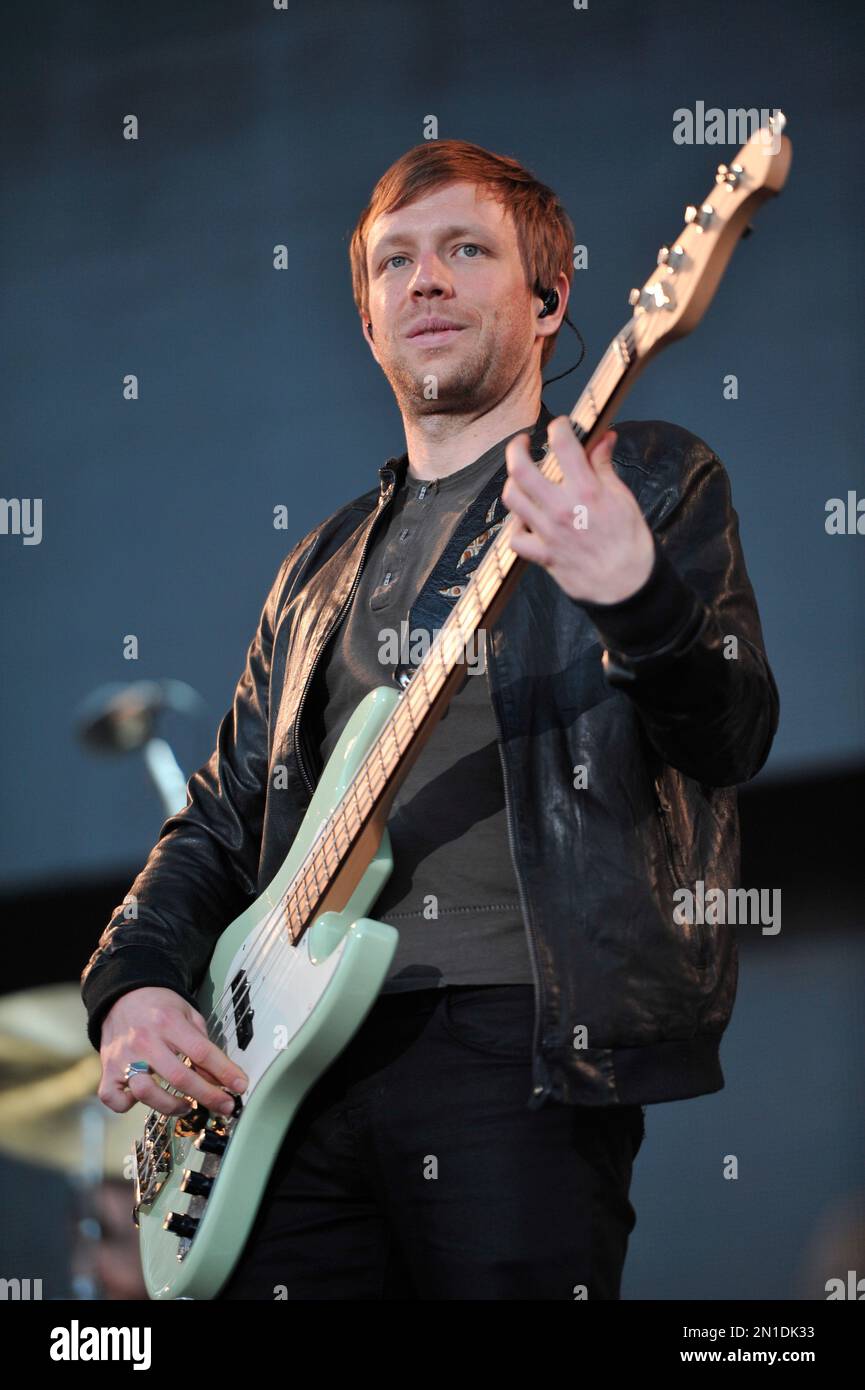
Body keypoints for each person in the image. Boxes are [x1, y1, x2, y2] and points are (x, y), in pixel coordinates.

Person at [81, 138, 779, 1300]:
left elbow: (730, 732)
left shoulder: (645, 478)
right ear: (367, 322)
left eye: (466, 249)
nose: (426, 280)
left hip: (522, 1050)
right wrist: (135, 985)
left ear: (550, 299)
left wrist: (637, 597)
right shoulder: (318, 571)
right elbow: (217, 819)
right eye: (394, 262)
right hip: (278, 1088)